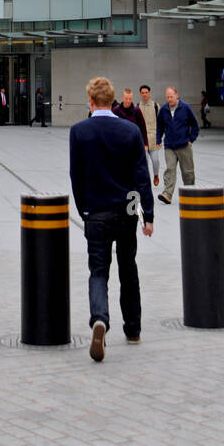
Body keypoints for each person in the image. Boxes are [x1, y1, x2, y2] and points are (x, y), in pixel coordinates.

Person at [69, 76, 154, 362]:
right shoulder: (129, 130)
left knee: (98, 271)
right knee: (128, 268)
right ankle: (133, 329)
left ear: (91, 101)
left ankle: (99, 320)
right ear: (113, 100)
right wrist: (148, 215)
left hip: (96, 212)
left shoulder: (79, 131)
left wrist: (84, 211)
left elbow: (76, 177)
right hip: (127, 211)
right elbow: (142, 176)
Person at [155, 85, 199, 204]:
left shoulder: (185, 108)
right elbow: (160, 126)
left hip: (184, 144)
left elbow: (195, 125)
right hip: (169, 145)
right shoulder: (163, 109)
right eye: (167, 97)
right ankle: (167, 194)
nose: (169, 99)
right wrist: (158, 139)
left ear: (177, 95)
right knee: (170, 169)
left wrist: (191, 139)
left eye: (171, 97)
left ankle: (189, 193)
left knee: (188, 172)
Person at [137, 85, 161, 187]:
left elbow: (161, 124)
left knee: (155, 160)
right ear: (140, 94)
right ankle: (146, 180)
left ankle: (156, 175)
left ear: (149, 93)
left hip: (153, 139)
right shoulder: (137, 107)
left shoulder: (156, 106)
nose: (145, 94)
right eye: (143, 93)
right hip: (142, 140)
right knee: (144, 162)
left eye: (146, 92)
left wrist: (159, 139)